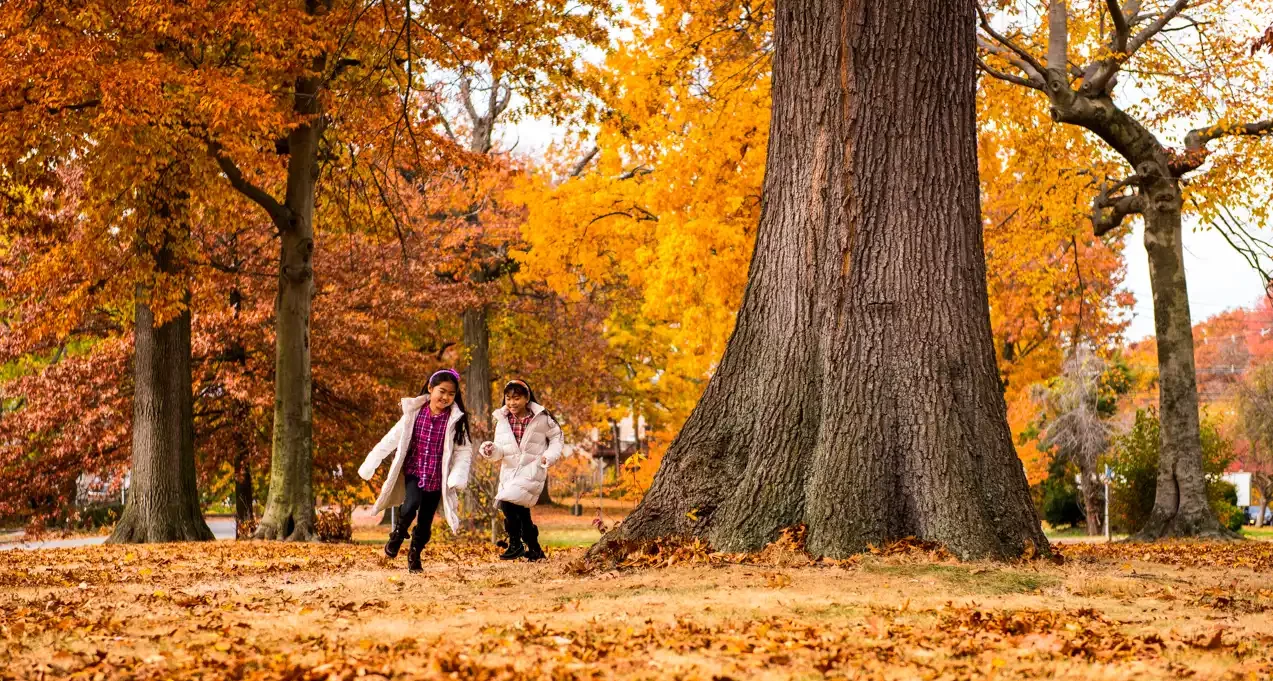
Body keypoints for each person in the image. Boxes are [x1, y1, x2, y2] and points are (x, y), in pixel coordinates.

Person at [358, 369, 473, 573]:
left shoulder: (456, 422)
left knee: (425, 522)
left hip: (436, 478)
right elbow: (390, 439)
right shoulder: (414, 415)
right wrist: (371, 462)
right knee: (410, 504)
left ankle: (415, 555)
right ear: (430, 388)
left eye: (451, 394)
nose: (445, 397)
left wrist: (457, 476)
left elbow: (464, 452)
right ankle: (398, 534)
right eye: (442, 391)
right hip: (415, 471)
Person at [479, 379, 564, 561]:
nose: (511, 403)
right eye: (508, 398)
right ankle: (535, 550)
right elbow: (500, 451)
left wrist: (548, 456)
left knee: (506, 502)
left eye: (516, 398)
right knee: (521, 511)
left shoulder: (541, 418)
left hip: (532, 469)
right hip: (509, 472)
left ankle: (515, 544)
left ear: (527, 398)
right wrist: (490, 450)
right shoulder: (502, 420)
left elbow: (557, 438)